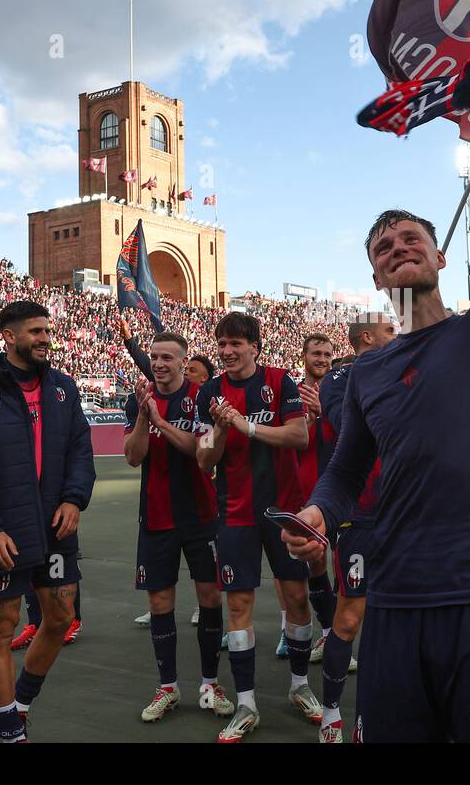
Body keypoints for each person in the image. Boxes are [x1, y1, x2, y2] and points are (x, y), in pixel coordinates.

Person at [287, 50, 470, 743]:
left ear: (439, 258)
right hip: (395, 604)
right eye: (382, 247)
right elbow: (348, 473)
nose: (397, 247)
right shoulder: (367, 375)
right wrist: (317, 513)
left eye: (411, 238)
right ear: (377, 278)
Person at [0, 301, 96, 743]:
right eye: (35, 331)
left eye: (47, 331)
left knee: (60, 617)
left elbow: (79, 450)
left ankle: (22, 701)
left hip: (56, 527)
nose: (44, 339)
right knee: (1, 626)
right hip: (4, 531)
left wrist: (74, 500)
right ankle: (9, 726)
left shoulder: (64, 388)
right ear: (9, 337)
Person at [195, 311, 316, 742]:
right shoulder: (209, 391)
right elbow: (205, 459)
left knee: (298, 597)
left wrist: (245, 424)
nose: (227, 352)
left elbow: (298, 436)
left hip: (285, 510)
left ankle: (300, 685)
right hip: (235, 514)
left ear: (254, 346)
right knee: (238, 606)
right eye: (222, 344)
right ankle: (246, 704)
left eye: (235, 344)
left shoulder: (280, 380)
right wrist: (224, 430)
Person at [122, 327, 233, 721]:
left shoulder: (201, 398)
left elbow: (203, 453)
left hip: (201, 515)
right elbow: (133, 457)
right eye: (154, 356)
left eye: (167, 357)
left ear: (184, 362)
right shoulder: (140, 398)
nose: (158, 363)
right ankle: (167, 687)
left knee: (208, 599)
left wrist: (162, 423)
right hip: (156, 516)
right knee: (159, 602)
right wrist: (142, 416)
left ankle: (209, 683)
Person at [316, 314, 396, 742]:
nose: (396, 337)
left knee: (400, 618)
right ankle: (332, 711)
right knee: (349, 618)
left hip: (405, 515)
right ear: (367, 337)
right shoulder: (339, 379)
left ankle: (376, 713)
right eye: (389, 332)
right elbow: (353, 425)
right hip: (360, 516)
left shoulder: (402, 369)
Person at [296, 333, 338, 663]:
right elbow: (294, 444)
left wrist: (325, 413)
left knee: (347, 563)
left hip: (342, 491)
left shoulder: (341, 390)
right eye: (316, 353)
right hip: (308, 493)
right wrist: (309, 418)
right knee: (316, 563)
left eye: (327, 353)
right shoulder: (291, 395)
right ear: (304, 356)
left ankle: (342, 634)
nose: (322, 359)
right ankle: (327, 633)